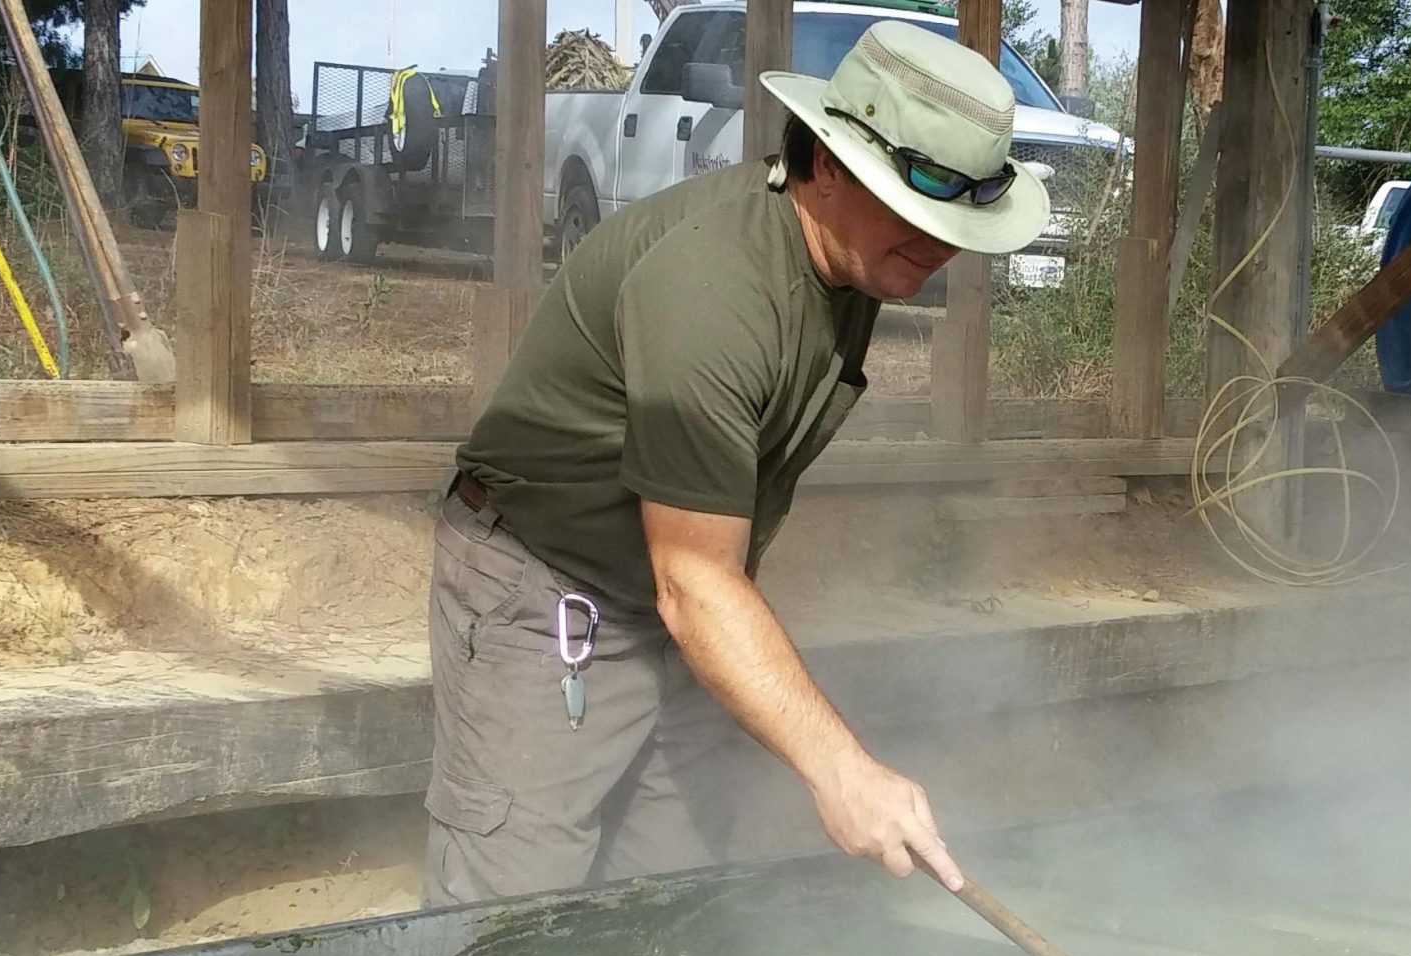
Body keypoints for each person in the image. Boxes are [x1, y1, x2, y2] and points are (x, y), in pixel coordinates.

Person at [425, 20, 1049, 905]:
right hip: (546, 590)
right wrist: (844, 770)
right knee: (511, 906)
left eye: (957, 220)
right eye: (917, 208)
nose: (940, 243)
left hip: (671, 606)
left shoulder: (859, 259)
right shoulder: (712, 290)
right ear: (827, 165)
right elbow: (695, 581)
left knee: (671, 888)